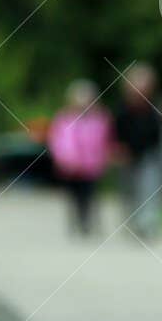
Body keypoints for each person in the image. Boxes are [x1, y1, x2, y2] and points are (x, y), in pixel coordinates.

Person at [46, 80, 111, 236]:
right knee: (74, 196)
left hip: (91, 167)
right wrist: (63, 159)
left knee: (89, 195)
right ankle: (76, 222)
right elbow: (57, 141)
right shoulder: (64, 119)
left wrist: (102, 159)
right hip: (71, 166)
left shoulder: (99, 119)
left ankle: (87, 222)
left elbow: (104, 142)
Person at [113, 63, 162, 240]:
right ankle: (132, 223)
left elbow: (160, 134)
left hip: (150, 156)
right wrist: (119, 150)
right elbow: (117, 132)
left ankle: (148, 223)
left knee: (150, 189)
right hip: (128, 156)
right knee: (129, 192)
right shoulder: (122, 109)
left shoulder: (156, 107)